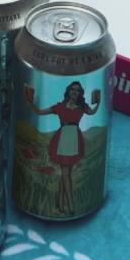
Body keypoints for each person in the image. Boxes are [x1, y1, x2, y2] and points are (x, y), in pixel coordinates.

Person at [24, 80, 101, 216]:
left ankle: (60, 204)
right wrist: (30, 102)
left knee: (65, 173)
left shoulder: (82, 107)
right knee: (66, 173)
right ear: (68, 91)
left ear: (80, 93)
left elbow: (92, 112)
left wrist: (98, 101)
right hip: (63, 137)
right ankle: (70, 205)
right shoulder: (60, 107)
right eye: (72, 89)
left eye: (77, 90)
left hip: (74, 138)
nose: (75, 92)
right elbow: (40, 112)